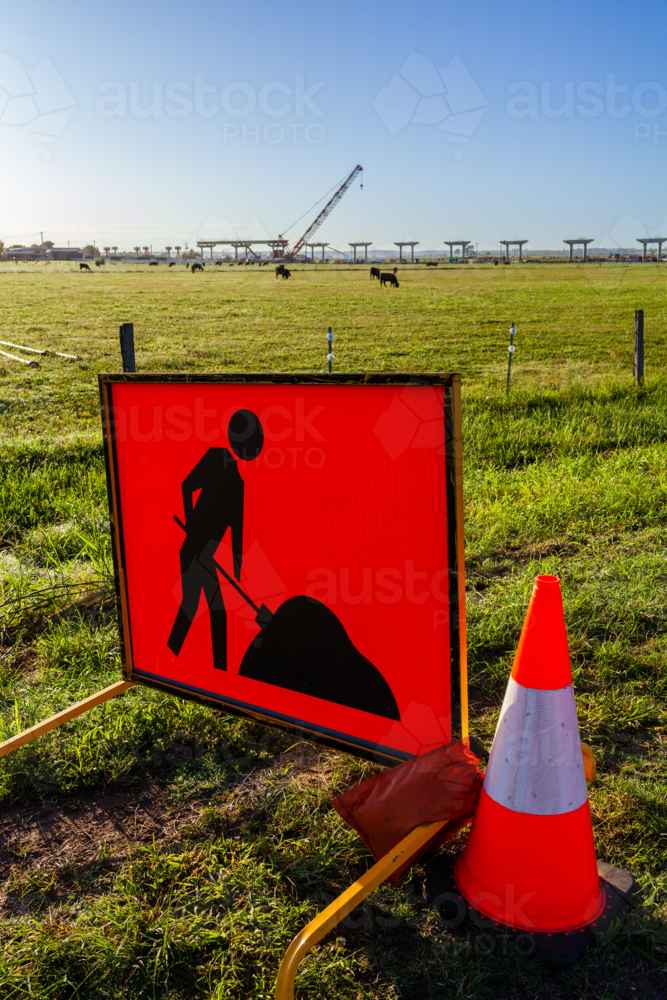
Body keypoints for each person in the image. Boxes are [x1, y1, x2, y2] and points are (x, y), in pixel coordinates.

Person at [167, 410, 263, 670]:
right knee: (195, 606)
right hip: (192, 550)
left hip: (204, 553)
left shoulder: (238, 484)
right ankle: (171, 656)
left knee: (205, 609)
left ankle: (182, 657)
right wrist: (191, 526)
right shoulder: (215, 457)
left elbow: (237, 535)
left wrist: (238, 571)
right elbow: (187, 485)